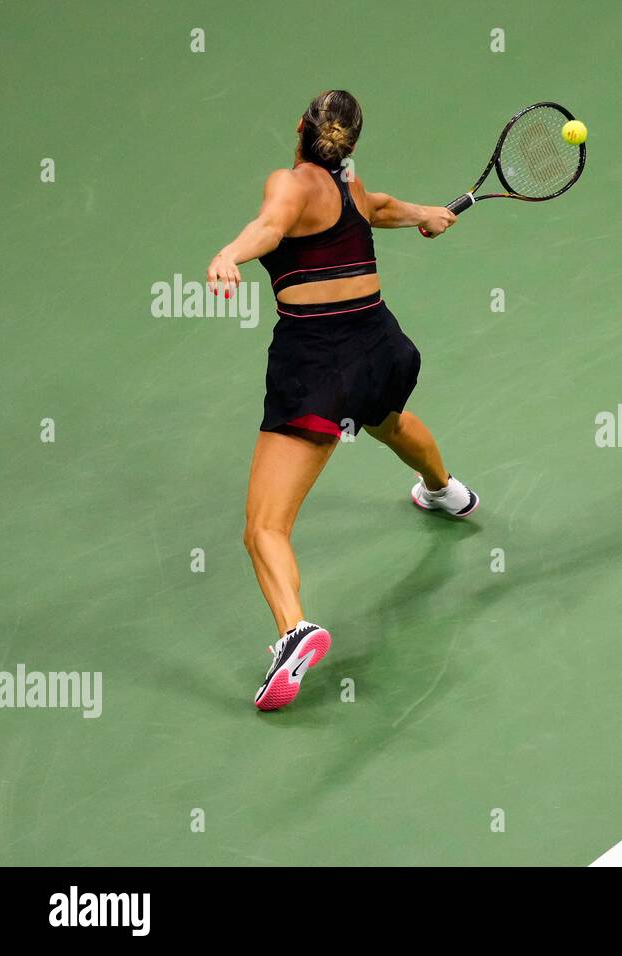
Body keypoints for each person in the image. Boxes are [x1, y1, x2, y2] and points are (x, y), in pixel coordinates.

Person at [206, 90, 479, 712]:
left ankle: (294, 632)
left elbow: (270, 226)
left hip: (318, 369)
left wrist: (228, 254)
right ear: (349, 144)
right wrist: (424, 214)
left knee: (263, 528)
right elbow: (378, 205)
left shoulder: (292, 181)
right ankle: (445, 490)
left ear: (300, 127)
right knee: (387, 420)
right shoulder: (348, 183)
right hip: (381, 348)